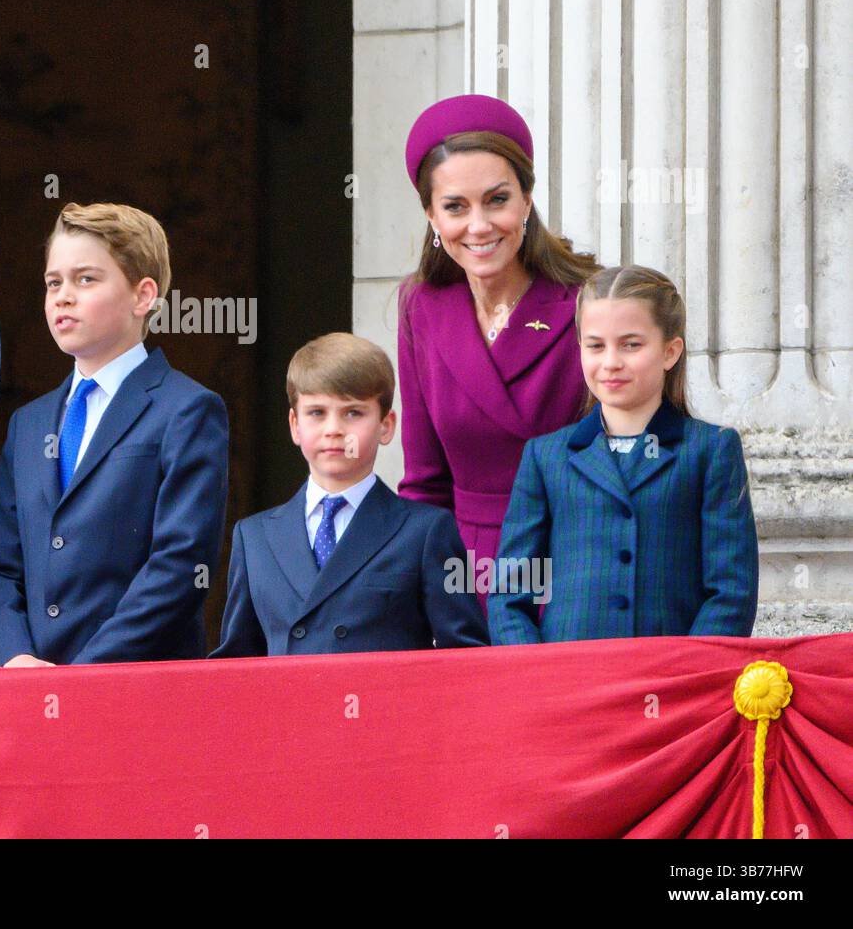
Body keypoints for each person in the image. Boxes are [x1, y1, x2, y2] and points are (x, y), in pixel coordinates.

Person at [0, 203, 228, 666]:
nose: (62, 297)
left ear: (142, 295)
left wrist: (83, 675)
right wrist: (14, 658)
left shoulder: (187, 410)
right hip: (28, 692)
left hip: (135, 693)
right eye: (54, 283)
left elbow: (179, 567)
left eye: (86, 279)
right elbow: (0, 570)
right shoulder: (28, 424)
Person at [397, 94, 602, 612]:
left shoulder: (590, 303)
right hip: (466, 577)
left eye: (496, 200)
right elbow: (424, 483)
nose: (479, 226)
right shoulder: (421, 307)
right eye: (455, 207)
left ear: (527, 200)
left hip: (577, 566)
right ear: (430, 214)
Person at [489, 266, 759, 643]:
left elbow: (732, 593)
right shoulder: (545, 457)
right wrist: (539, 675)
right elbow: (509, 594)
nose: (611, 361)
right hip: (569, 683)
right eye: (595, 345)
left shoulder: (710, 450)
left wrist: (688, 673)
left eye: (631, 344)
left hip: (672, 681)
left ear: (670, 352)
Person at [211, 333, 487, 657]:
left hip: (382, 707)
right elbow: (238, 663)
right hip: (292, 707)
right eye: (316, 412)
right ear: (294, 425)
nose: (334, 429)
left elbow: (465, 658)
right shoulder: (254, 537)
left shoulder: (426, 530)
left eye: (353, 413)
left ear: (386, 425)